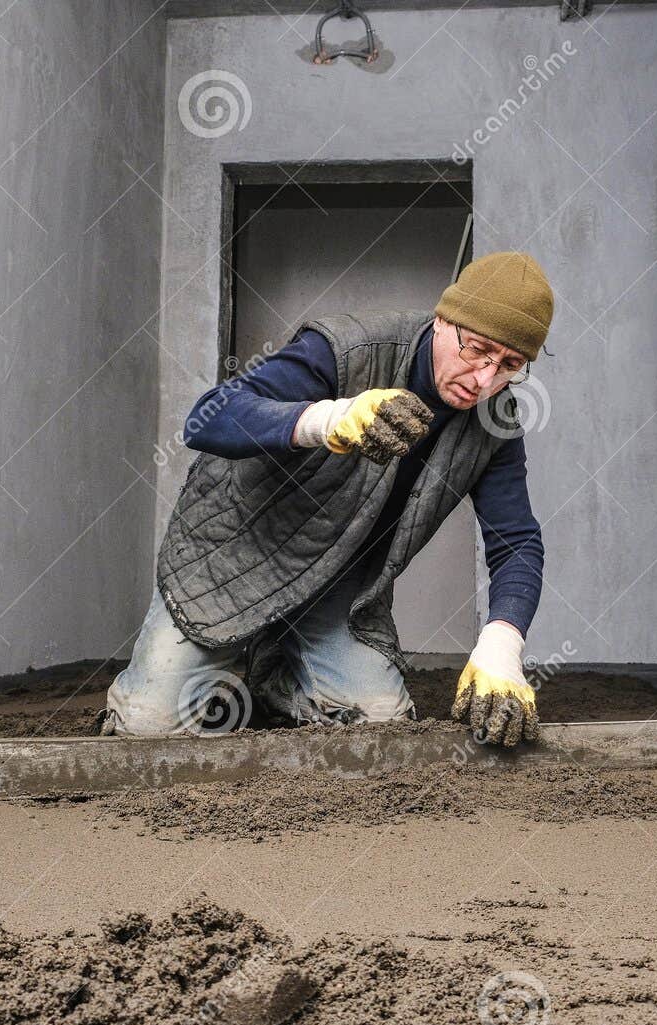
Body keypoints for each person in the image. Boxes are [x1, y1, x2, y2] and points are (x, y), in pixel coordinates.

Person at [99, 251, 552, 747]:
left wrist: (501, 646)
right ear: (444, 320)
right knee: (150, 728)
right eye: (475, 349)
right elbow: (207, 419)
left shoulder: (495, 421)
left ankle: (275, 679)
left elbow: (517, 543)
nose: (484, 381)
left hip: (338, 581)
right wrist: (329, 420)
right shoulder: (346, 347)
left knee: (379, 726)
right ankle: (229, 666)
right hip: (235, 558)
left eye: (509, 365)